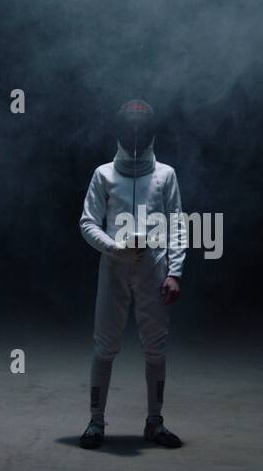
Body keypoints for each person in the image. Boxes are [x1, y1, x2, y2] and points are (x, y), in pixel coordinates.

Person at [78, 99, 185, 450]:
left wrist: (175, 273)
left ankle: (155, 422)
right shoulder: (103, 174)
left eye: (142, 128)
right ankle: (96, 422)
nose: (136, 135)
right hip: (113, 269)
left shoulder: (165, 175)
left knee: (155, 349)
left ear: (151, 132)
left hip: (153, 270)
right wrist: (113, 247)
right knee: (105, 346)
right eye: (131, 128)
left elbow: (177, 227)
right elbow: (88, 222)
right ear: (121, 132)